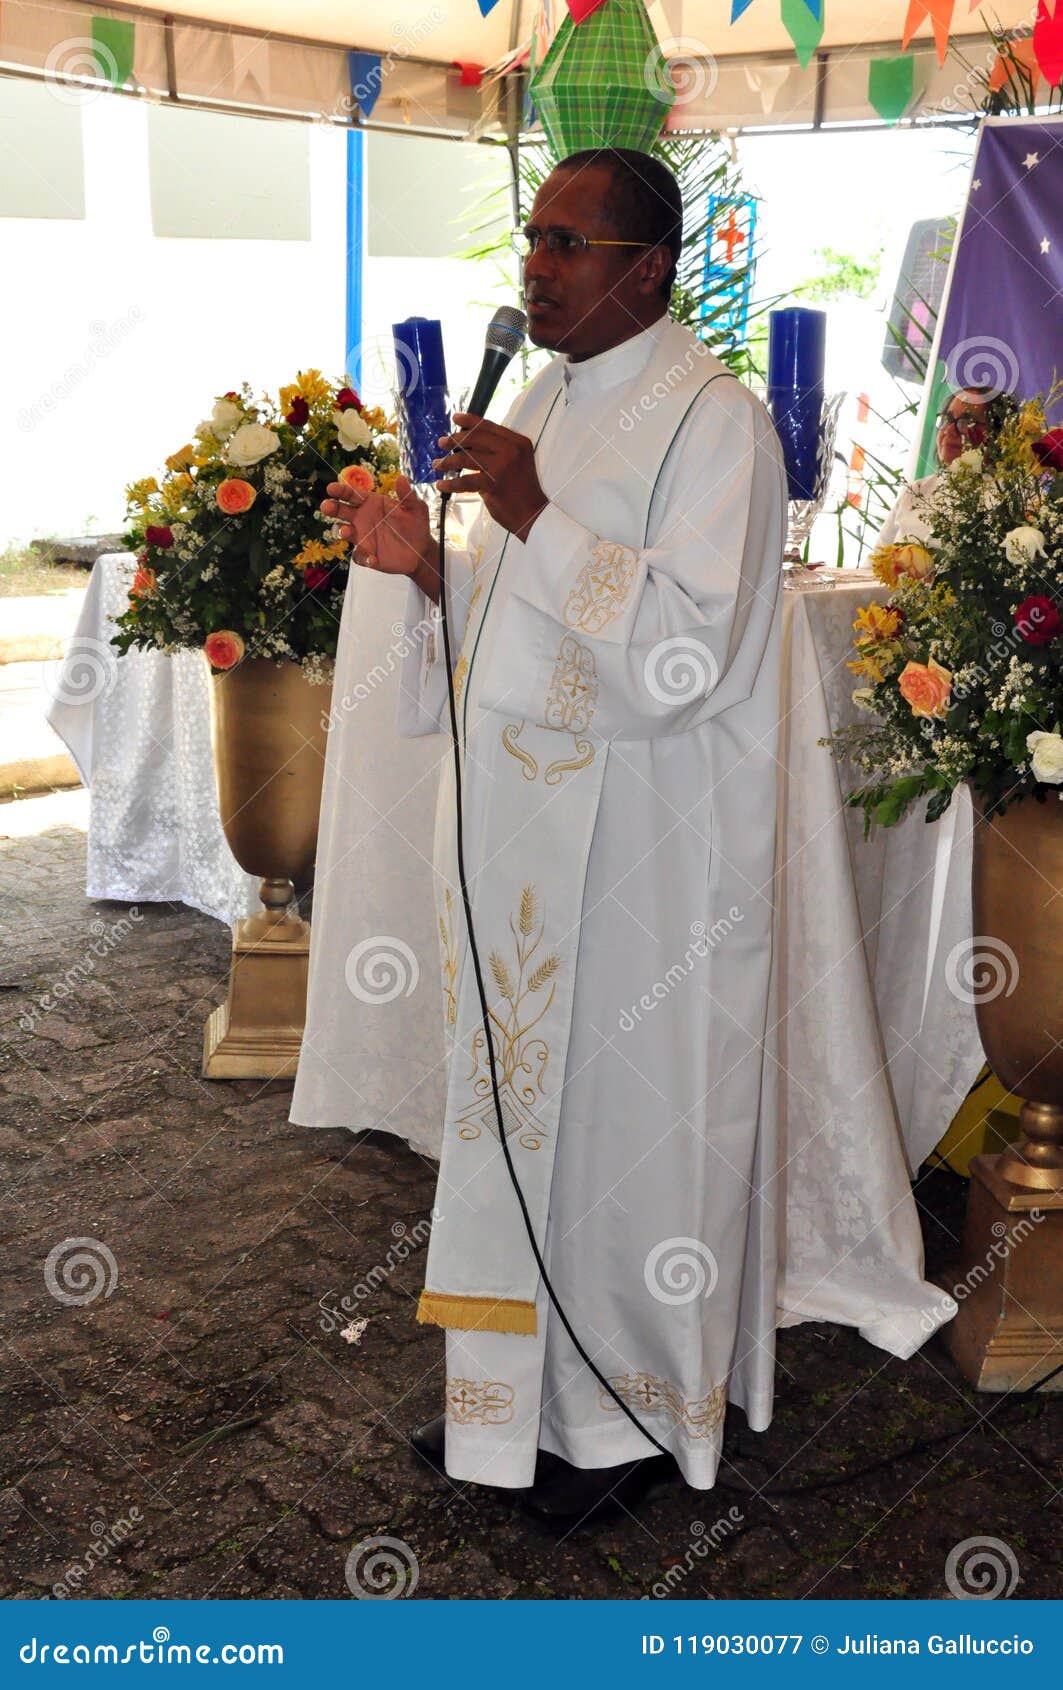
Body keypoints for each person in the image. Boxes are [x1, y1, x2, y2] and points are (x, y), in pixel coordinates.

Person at [321, 147, 787, 1524]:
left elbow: (690, 656)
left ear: (649, 267)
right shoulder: (541, 393)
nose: (535, 265)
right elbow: (515, 620)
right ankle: (508, 1412)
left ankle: (626, 1416)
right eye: (531, 238)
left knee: (621, 1142)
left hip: (645, 868)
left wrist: (526, 510)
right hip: (526, 853)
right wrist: (428, 571)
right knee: (520, 1139)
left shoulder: (717, 425)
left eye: (567, 243)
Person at [875, 385, 991, 546]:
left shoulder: (1005, 503)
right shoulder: (916, 490)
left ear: (993, 434)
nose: (949, 431)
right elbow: (873, 564)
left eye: (965, 422)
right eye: (947, 419)